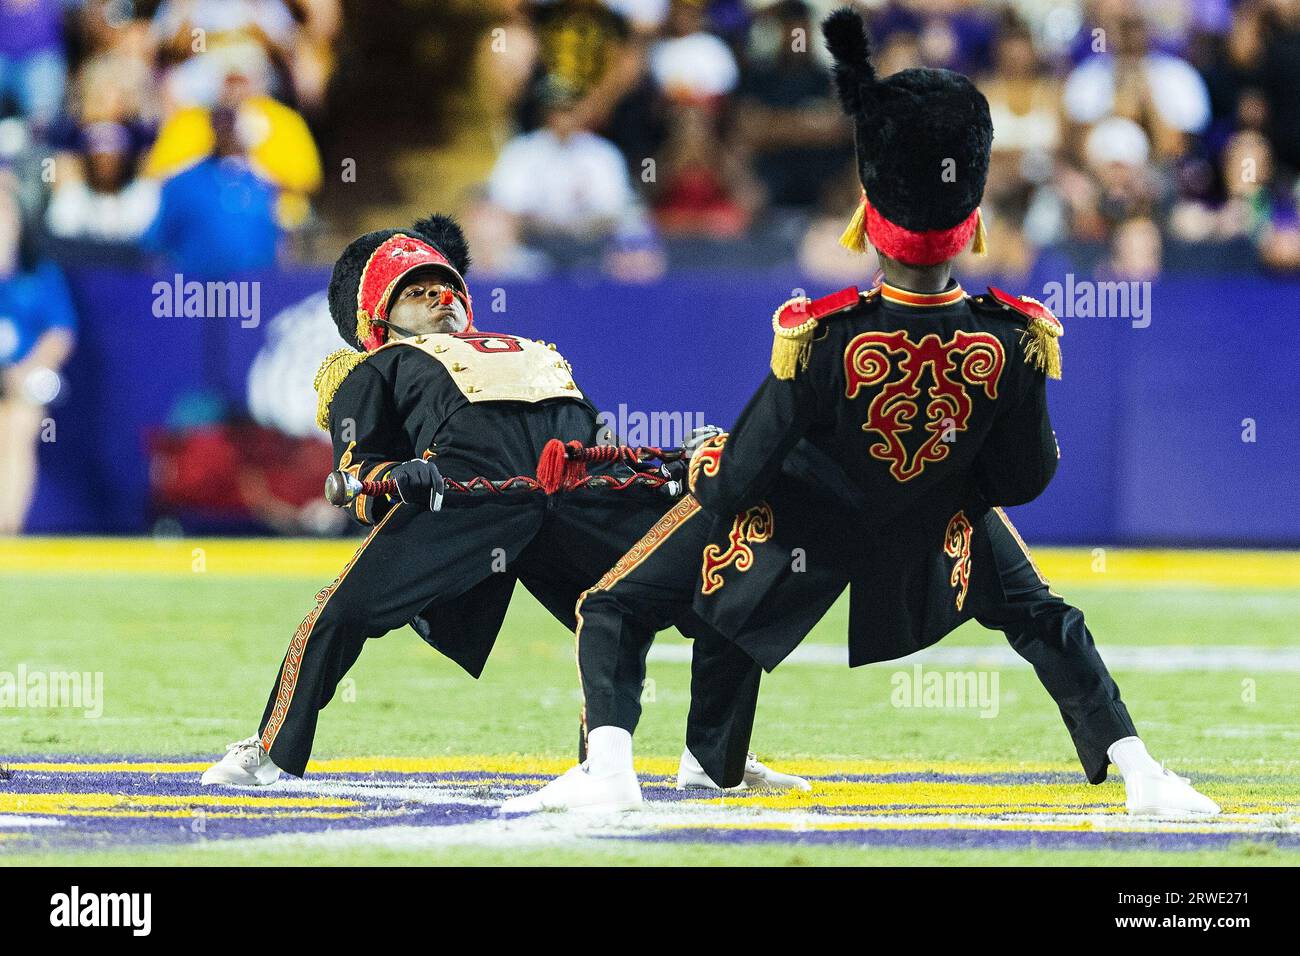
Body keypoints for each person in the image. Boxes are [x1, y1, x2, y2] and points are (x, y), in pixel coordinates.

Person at [505, 8, 1219, 818]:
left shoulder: (818, 334)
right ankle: (1142, 775)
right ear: (973, 225)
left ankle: (609, 769)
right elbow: (1024, 480)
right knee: (1046, 617)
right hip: (931, 520)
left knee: (613, 602)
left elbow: (738, 479)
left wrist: (702, 459)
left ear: (867, 222)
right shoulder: (1017, 337)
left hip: (799, 519)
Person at [201, 213, 804, 793]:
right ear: (377, 319)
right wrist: (397, 476)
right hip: (463, 496)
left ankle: (707, 756)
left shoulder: (532, 347)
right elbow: (358, 476)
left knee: (724, 590)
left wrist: (662, 466)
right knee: (341, 612)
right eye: (418, 291)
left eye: (446, 286)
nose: (441, 297)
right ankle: (271, 750)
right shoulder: (375, 366)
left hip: (571, 492)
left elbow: (599, 439)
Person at [0, 174, 76, 534]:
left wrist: (23, 369)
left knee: (18, 428)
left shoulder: (39, 272)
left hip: (23, 378)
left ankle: (7, 528)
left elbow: (60, 333)